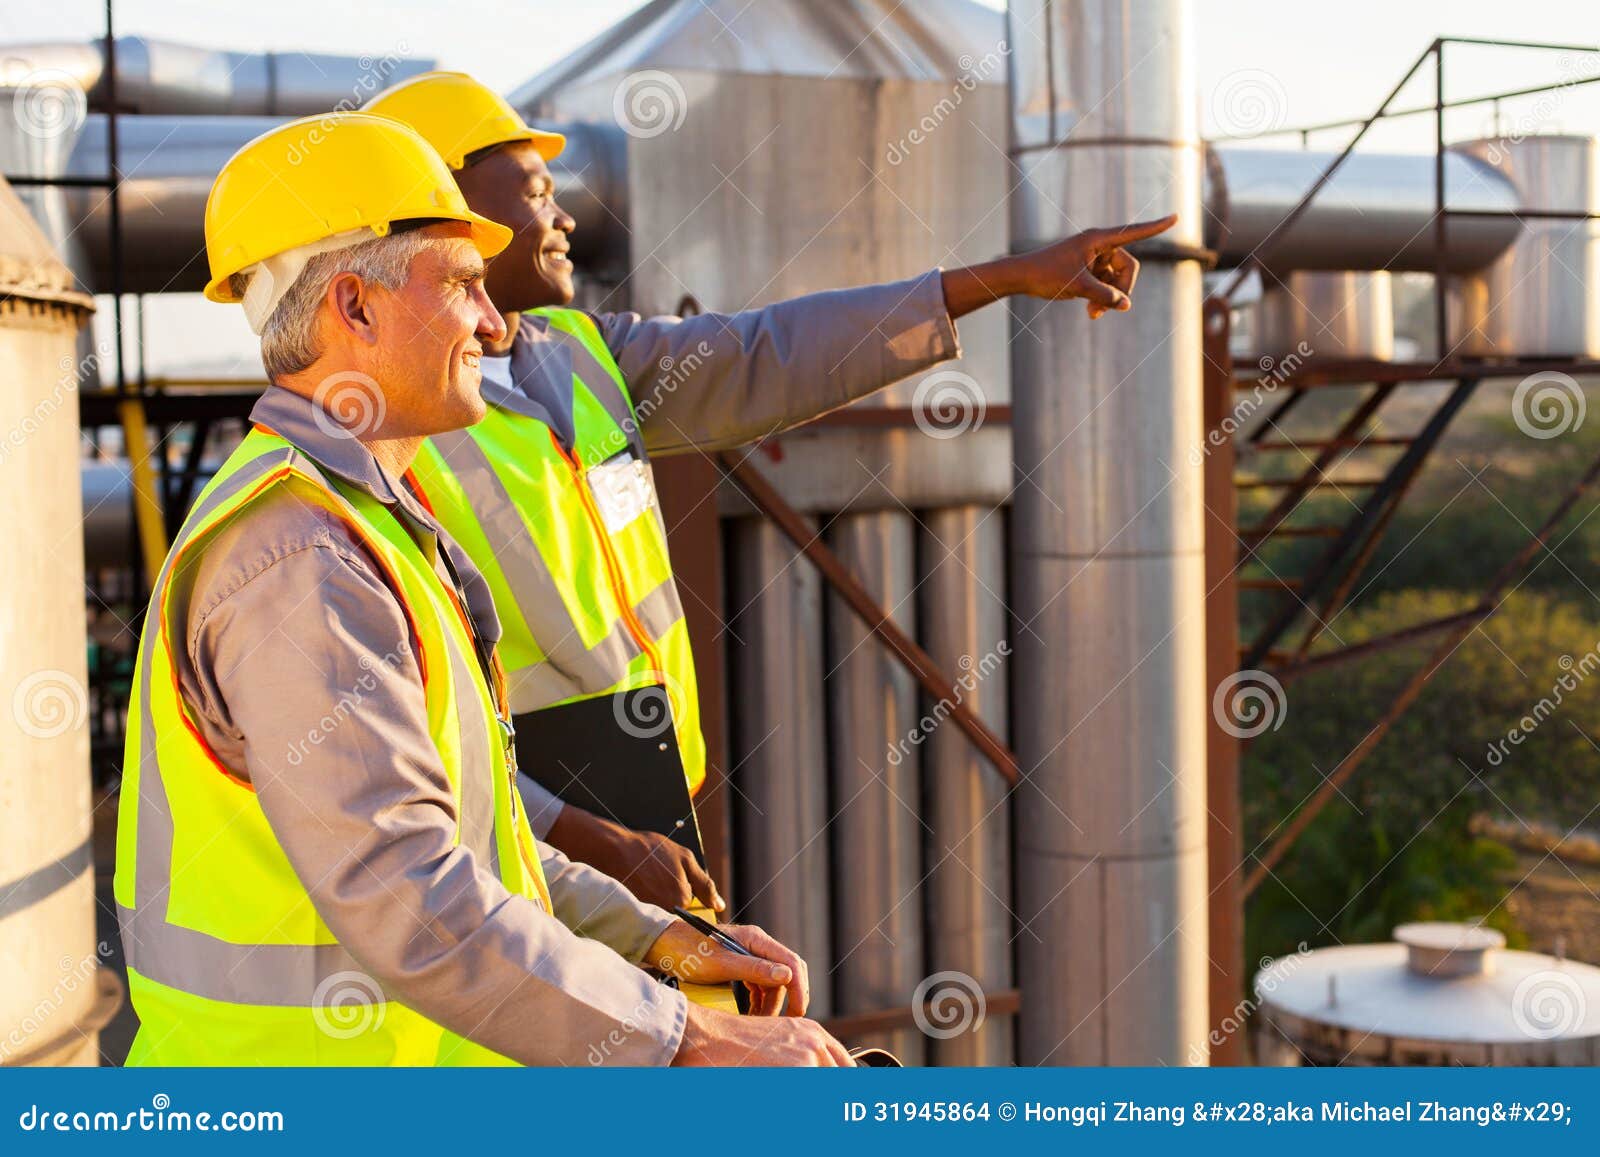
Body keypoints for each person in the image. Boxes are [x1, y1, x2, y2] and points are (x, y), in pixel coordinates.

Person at [114, 111, 850, 1066]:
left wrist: (648, 934)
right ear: (358, 309)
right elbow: (411, 897)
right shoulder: (299, 559)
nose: (496, 323)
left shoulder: (371, 523)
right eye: (463, 285)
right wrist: (693, 1039)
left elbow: (469, 833)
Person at [365, 72, 1175, 912]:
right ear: (450, 213)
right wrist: (572, 829)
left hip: (645, 791)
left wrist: (1006, 278)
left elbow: (770, 352)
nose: (566, 218)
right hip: (514, 833)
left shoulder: (575, 352)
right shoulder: (393, 424)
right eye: (536, 193)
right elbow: (402, 710)